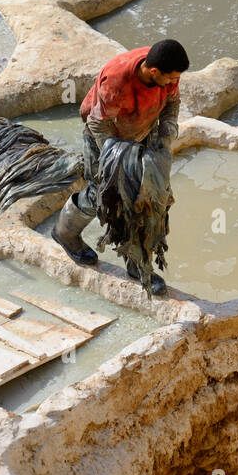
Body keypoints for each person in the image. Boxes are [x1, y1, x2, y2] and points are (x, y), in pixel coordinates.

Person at [53, 39, 190, 295]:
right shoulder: (117, 81)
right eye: (170, 78)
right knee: (102, 196)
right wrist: (118, 158)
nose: (174, 82)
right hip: (104, 137)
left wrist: (166, 134)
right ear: (153, 72)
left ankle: (137, 263)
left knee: (144, 197)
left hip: (141, 130)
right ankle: (65, 234)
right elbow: (97, 124)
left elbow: (172, 103)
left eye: (176, 79)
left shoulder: (168, 70)